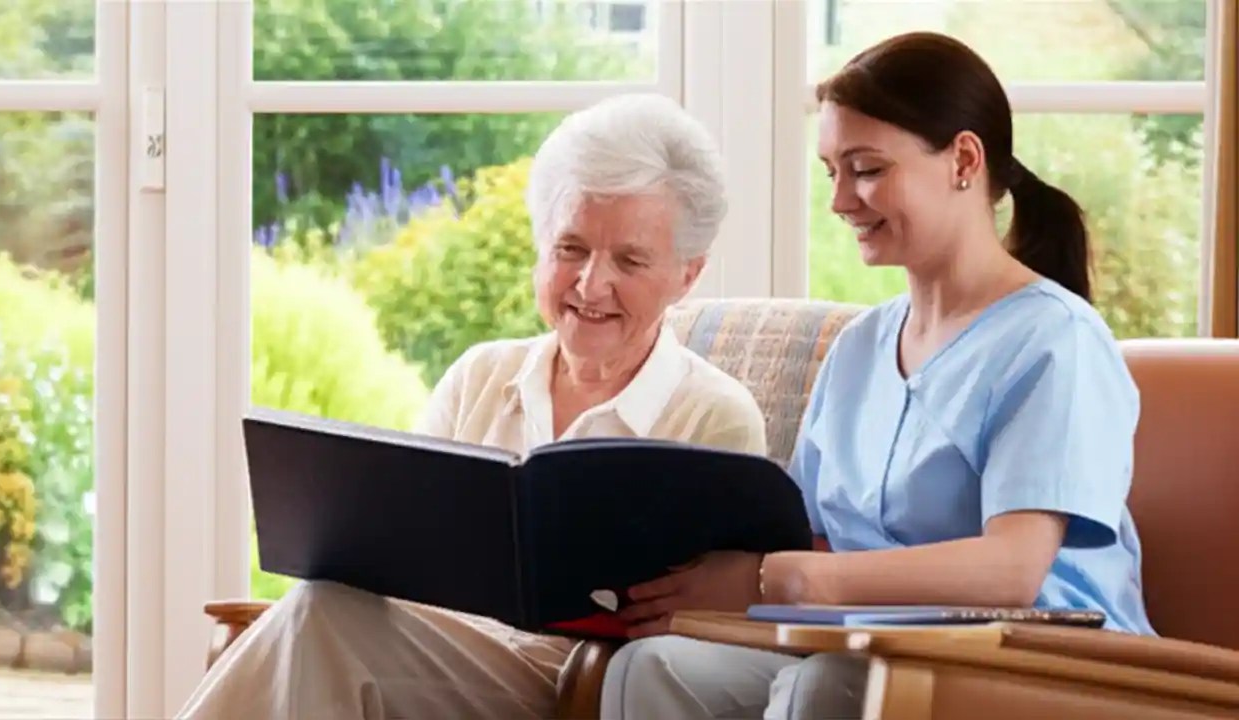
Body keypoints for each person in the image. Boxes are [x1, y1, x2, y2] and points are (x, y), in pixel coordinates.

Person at [600, 31, 1156, 720]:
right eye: (831, 170)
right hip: (874, 648)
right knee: (653, 669)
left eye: (864, 168)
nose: (840, 200)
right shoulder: (861, 346)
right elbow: (813, 532)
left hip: (1054, 670)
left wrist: (785, 577)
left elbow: (1012, 570)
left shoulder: (1056, 341)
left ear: (963, 160)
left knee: (835, 684)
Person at [174, 93, 767, 720]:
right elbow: (398, 553)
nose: (591, 285)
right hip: (431, 649)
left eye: (629, 260)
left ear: (687, 274)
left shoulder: (714, 416)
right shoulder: (482, 374)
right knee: (322, 611)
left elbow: (702, 650)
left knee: (323, 621)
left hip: (576, 677)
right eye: (571, 249)